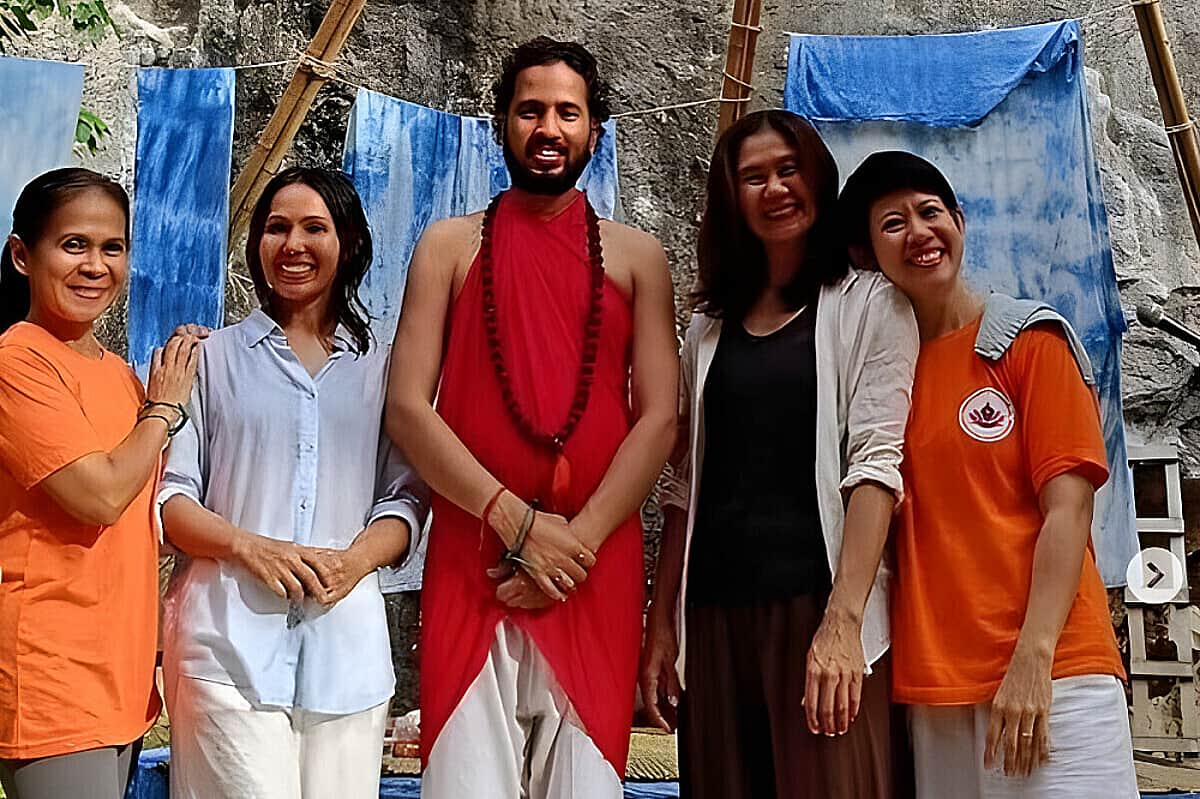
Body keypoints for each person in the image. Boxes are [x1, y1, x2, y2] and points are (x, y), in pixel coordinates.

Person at [386, 36, 678, 798]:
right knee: (464, 782)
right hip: (475, 556)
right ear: (501, 124)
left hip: (593, 568)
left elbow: (660, 417)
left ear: (594, 131)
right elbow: (408, 406)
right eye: (531, 110)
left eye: (567, 113)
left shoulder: (639, 257)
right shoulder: (447, 247)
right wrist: (519, 525)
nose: (549, 128)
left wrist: (570, 547)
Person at [837, 150, 1136, 798]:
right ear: (865, 255)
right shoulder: (880, 381)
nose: (919, 232)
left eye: (930, 211)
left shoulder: (1029, 341)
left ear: (960, 222)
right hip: (936, 691)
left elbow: (1069, 510)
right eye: (893, 223)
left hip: (1054, 671)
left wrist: (1034, 657)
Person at [640, 110, 918, 799]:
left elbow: (877, 467)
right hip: (712, 615)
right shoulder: (708, 325)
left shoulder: (869, 304)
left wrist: (843, 623)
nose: (774, 189)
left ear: (818, 179)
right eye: (753, 176)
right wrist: (661, 624)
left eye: (788, 170)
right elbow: (685, 484)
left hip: (818, 605)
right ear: (730, 197)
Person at [157, 167, 429, 799]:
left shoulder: (384, 371)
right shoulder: (211, 359)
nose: (293, 244)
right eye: (276, 228)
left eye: (315, 228)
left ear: (350, 244)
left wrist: (355, 561)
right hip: (225, 650)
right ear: (256, 246)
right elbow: (171, 500)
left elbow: (407, 497)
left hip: (347, 659)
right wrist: (251, 548)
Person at [0, 168, 200, 799]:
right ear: (23, 255)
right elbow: (101, 495)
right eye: (74, 245)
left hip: (121, 673)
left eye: (112, 247)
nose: (95, 265)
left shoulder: (118, 374)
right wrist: (165, 408)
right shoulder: (18, 361)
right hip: (53, 675)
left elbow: (152, 513)